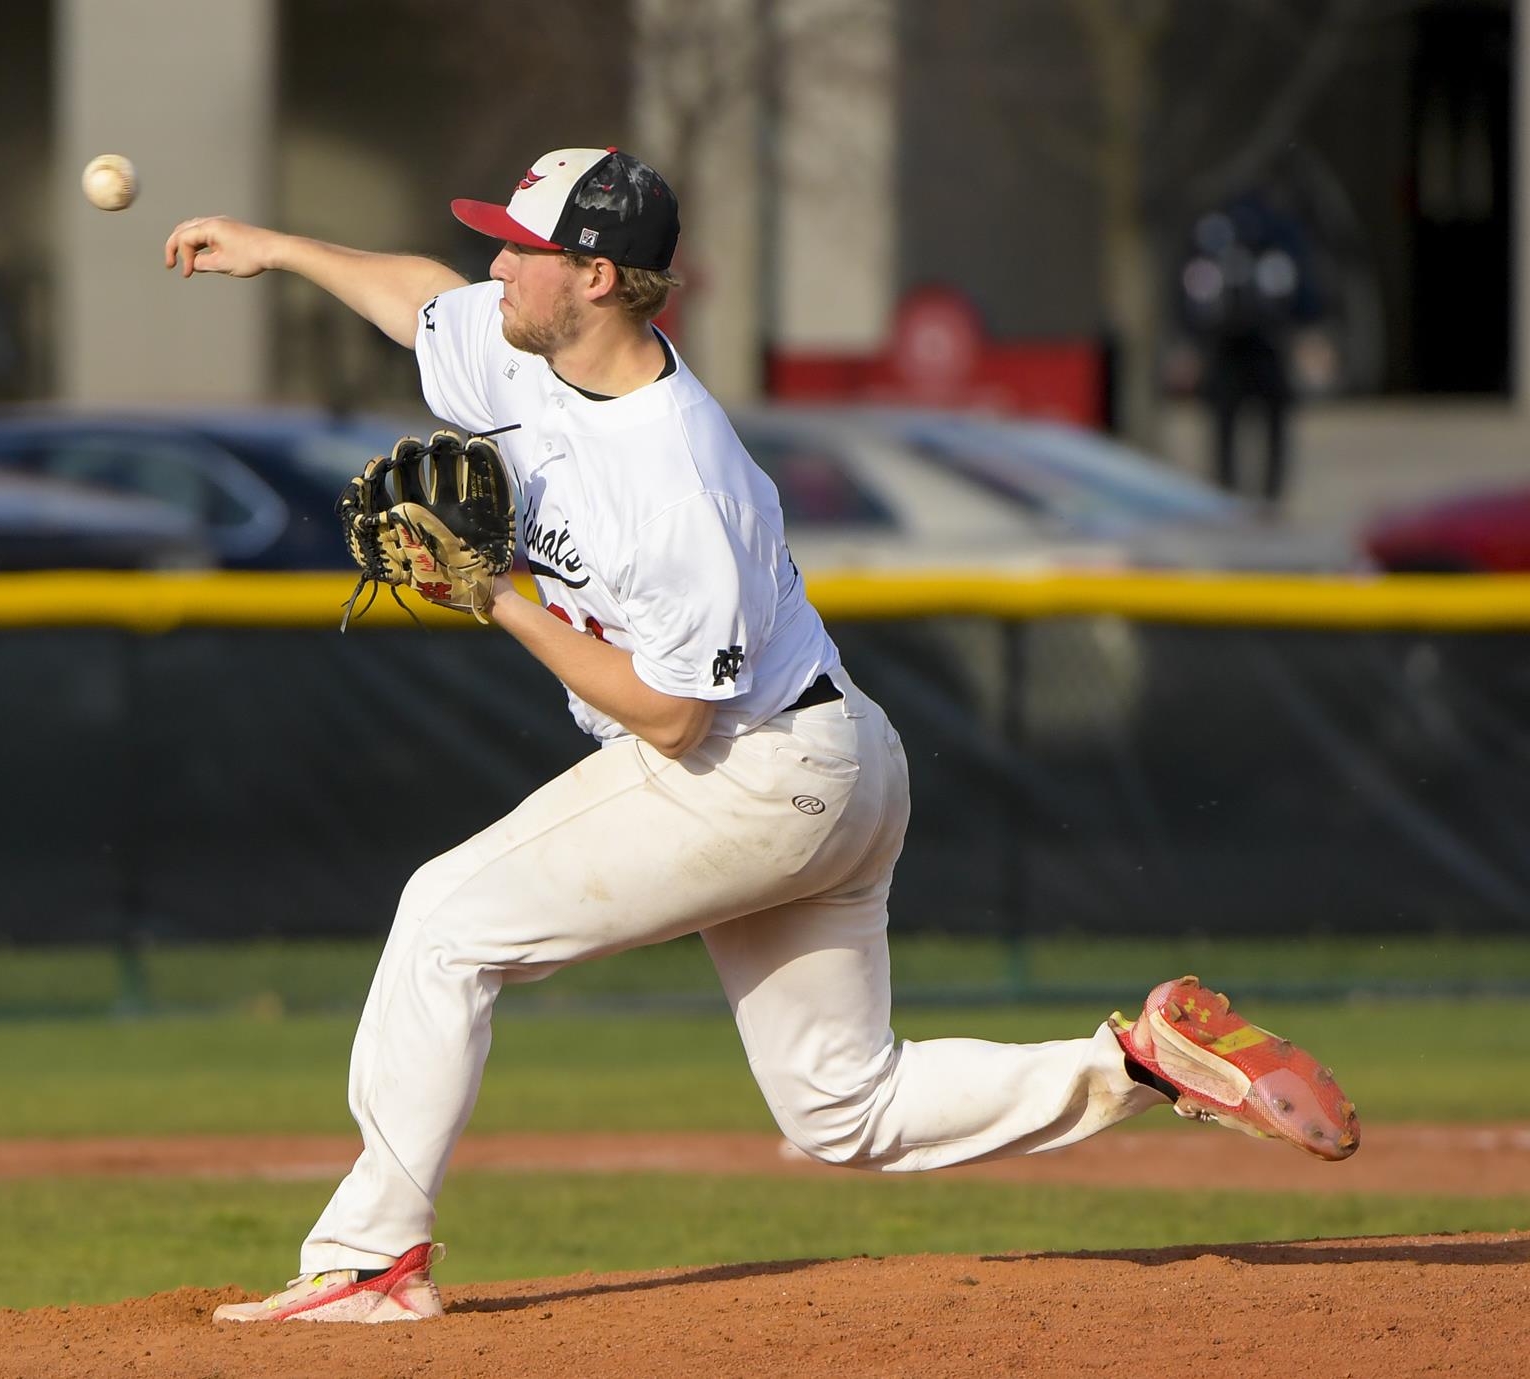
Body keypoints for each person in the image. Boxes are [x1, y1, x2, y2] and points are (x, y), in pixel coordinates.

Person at [163, 148, 1359, 1326]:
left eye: (521, 248)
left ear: (594, 278)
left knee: (440, 920)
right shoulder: (527, 351)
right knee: (840, 1108)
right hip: (826, 757)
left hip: (746, 768)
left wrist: (491, 598)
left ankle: (371, 1257)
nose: (495, 265)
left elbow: (671, 713)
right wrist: (274, 250)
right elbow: (417, 297)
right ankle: (1138, 1059)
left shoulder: (679, 474)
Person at [1176, 190, 1321, 504]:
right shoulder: (1271, 232)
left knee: (1249, 423)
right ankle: (1244, 494)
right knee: (1238, 423)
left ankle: (1253, 494)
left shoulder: (1232, 231)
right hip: (1239, 345)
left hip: (1257, 344)